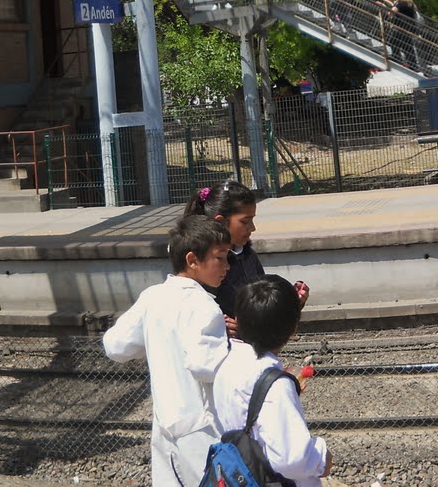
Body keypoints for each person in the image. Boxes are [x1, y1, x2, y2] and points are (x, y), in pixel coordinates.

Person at [103, 215, 231, 487]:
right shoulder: (204, 305)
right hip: (203, 427)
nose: (227, 266)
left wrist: (154, 341)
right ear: (192, 260)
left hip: (164, 423)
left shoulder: (153, 297)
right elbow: (206, 366)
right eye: (220, 258)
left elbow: (115, 345)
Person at [212, 276, 331, 486]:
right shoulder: (275, 384)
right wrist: (322, 458)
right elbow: (292, 459)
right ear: (293, 329)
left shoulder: (227, 363)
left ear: (237, 319)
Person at [187, 181, 310, 331]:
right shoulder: (205, 267)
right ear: (221, 222)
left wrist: (289, 303)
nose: (252, 228)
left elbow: (262, 307)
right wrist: (219, 328)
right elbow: (197, 319)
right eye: (245, 221)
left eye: (252, 220)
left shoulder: (248, 256)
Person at [383, 0, 420, 68]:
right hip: (409, 28)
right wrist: (390, 3)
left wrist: (384, 6)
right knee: (407, 47)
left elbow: (391, 13)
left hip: (401, 28)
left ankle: (397, 60)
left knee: (393, 42)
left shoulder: (400, 4)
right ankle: (413, 65)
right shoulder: (410, 3)